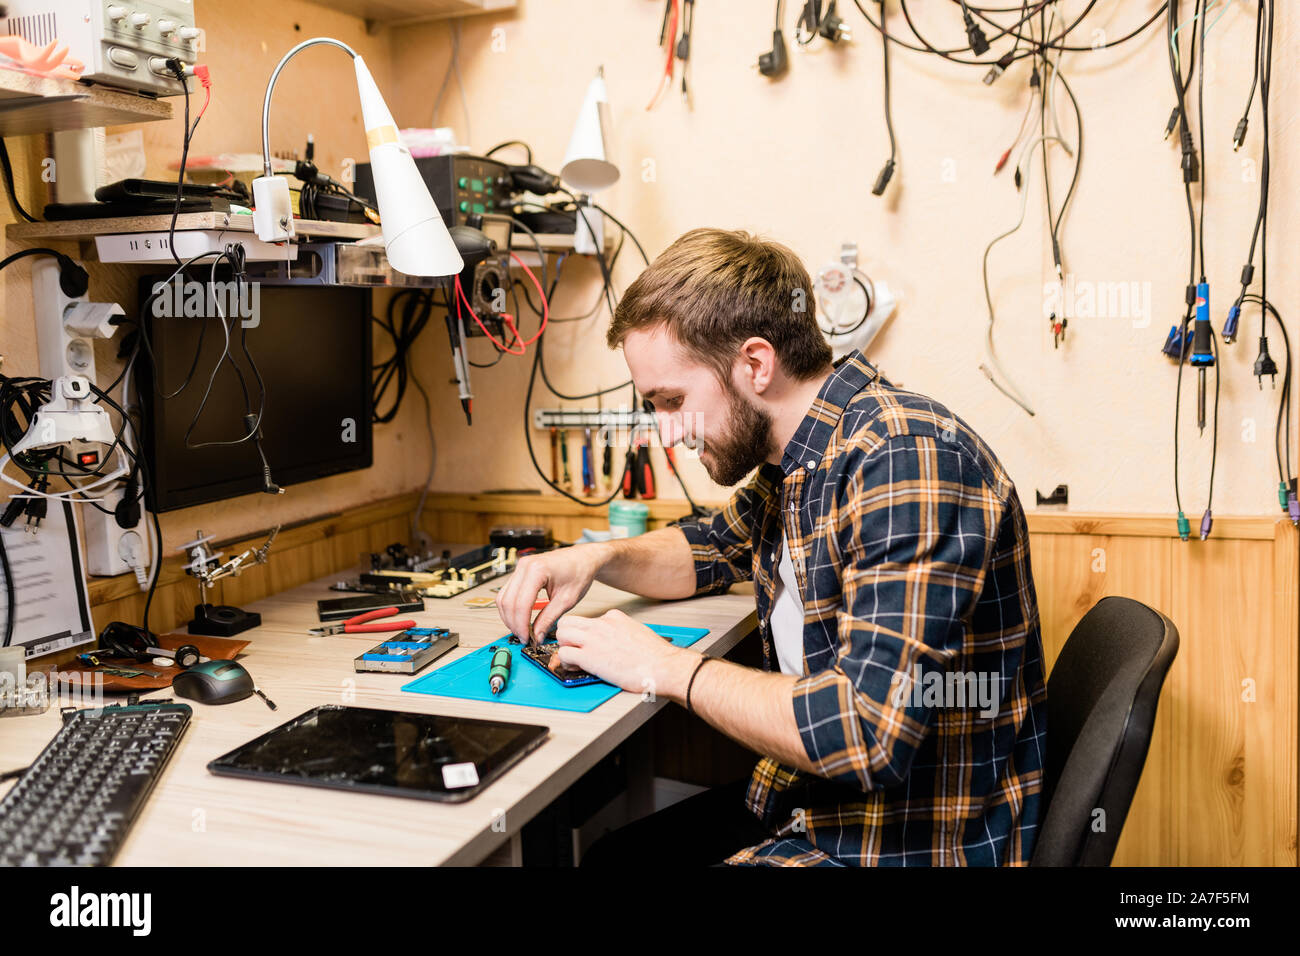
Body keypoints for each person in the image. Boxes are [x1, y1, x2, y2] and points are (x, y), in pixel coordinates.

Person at [497, 228, 1047, 866]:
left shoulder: (904, 458)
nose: (669, 431)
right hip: (823, 805)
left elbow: (866, 732)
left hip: (907, 841)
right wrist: (593, 560)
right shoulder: (799, 462)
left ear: (755, 365)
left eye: (673, 401)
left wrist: (664, 668)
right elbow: (708, 548)